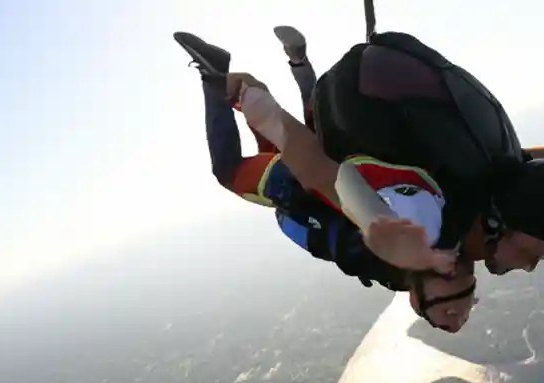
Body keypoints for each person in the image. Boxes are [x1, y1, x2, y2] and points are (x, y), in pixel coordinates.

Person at [310, 31, 544, 275]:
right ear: (497, 224)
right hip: (342, 122)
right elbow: (341, 178)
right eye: (531, 254)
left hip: (364, 86)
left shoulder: (496, 174)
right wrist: (388, 236)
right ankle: (292, 75)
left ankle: (299, 70)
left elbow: (542, 165)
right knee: (270, 189)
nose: (528, 268)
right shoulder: (440, 214)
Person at [175, 28, 477, 333]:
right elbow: (333, 214)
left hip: (337, 167)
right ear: (415, 300)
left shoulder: (453, 231)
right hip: (300, 188)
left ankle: (294, 62)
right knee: (231, 170)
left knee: (306, 124)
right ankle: (215, 77)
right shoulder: (391, 256)